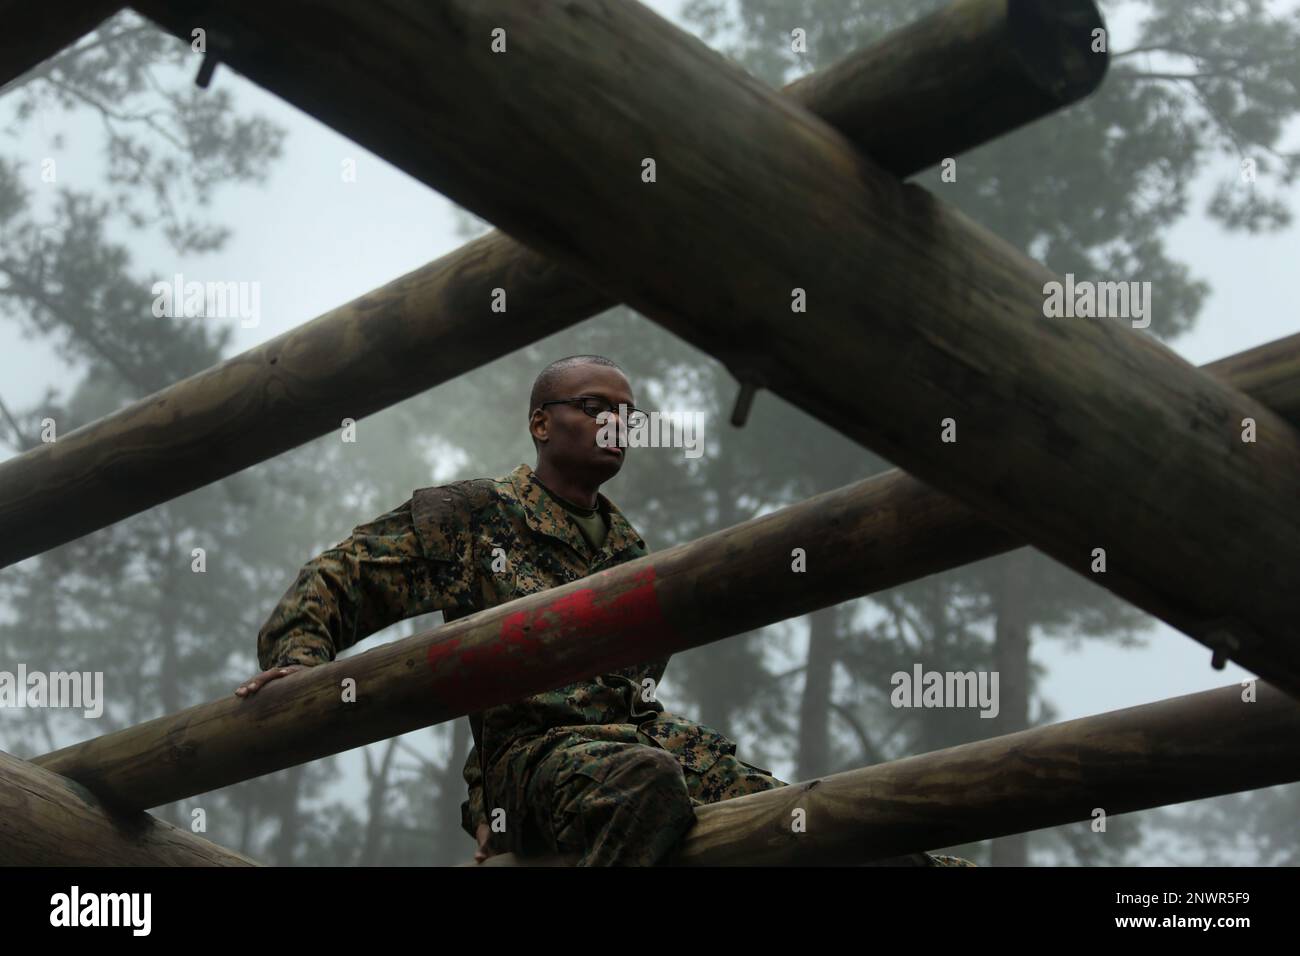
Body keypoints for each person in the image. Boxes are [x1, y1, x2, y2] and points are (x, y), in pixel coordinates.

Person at [235, 354, 973, 866]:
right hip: (531, 761)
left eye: (627, 414)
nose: (615, 424)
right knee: (645, 782)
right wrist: (299, 662)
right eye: (593, 409)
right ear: (540, 423)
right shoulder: (473, 514)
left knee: (817, 818)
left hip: (640, 742)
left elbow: (638, 693)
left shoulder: (629, 548)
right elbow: (342, 576)